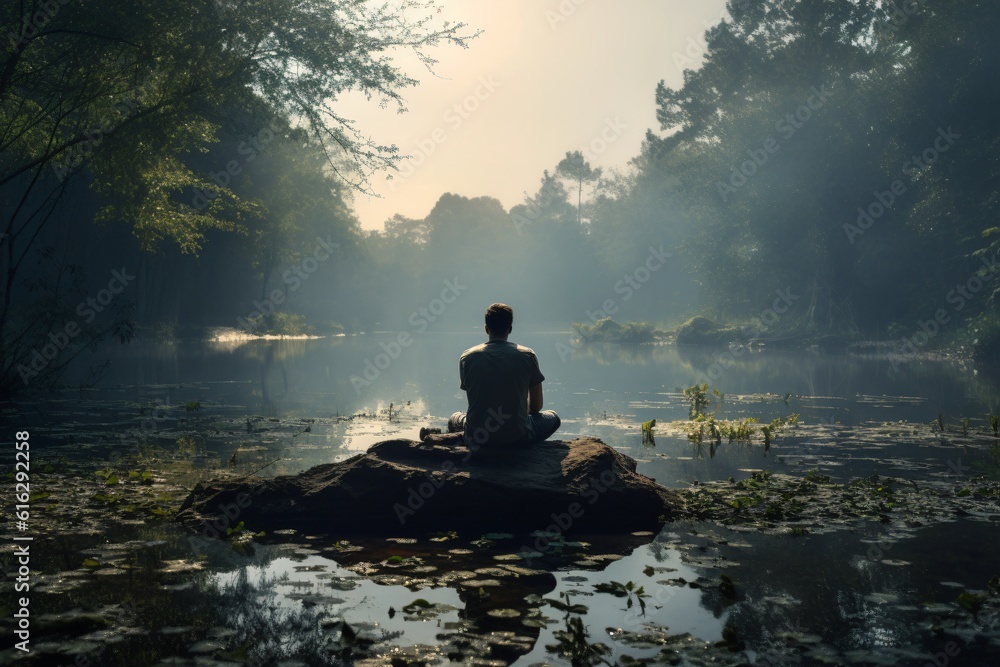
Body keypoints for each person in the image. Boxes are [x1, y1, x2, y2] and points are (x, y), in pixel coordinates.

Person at [447, 303, 560, 447]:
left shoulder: (467, 357)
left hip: (477, 435)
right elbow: (536, 407)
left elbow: (475, 399)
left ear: (486, 329)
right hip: (518, 436)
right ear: (510, 329)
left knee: (455, 417)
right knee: (554, 417)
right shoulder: (527, 355)